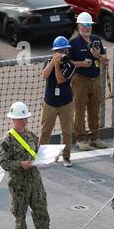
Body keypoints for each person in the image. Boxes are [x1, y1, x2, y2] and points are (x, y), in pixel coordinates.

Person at [0, 102, 58, 229]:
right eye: (20, 119)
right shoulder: (7, 139)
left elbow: (38, 154)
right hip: (18, 182)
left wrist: (51, 157)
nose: (23, 121)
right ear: (13, 120)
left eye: (25, 118)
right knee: (20, 212)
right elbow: (4, 163)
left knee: (41, 208)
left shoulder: (31, 136)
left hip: (34, 180)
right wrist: (20, 164)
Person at [68, 13, 108, 150]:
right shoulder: (73, 43)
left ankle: (94, 138)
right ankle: (80, 139)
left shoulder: (96, 40)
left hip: (95, 80)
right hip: (80, 80)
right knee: (79, 111)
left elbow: (104, 60)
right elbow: (67, 62)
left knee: (94, 109)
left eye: (89, 25)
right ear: (79, 27)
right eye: (84, 25)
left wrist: (98, 56)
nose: (87, 28)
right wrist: (81, 64)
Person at [39, 37, 74, 167]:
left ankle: (66, 156)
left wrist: (58, 66)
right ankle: (42, 156)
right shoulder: (49, 61)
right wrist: (53, 63)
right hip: (50, 102)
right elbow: (44, 75)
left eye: (65, 51)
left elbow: (60, 80)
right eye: (60, 51)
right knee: (45, 131)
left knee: (67, 131)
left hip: (66, 103)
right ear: (54, 52)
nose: (63, 54)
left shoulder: (70, 65)